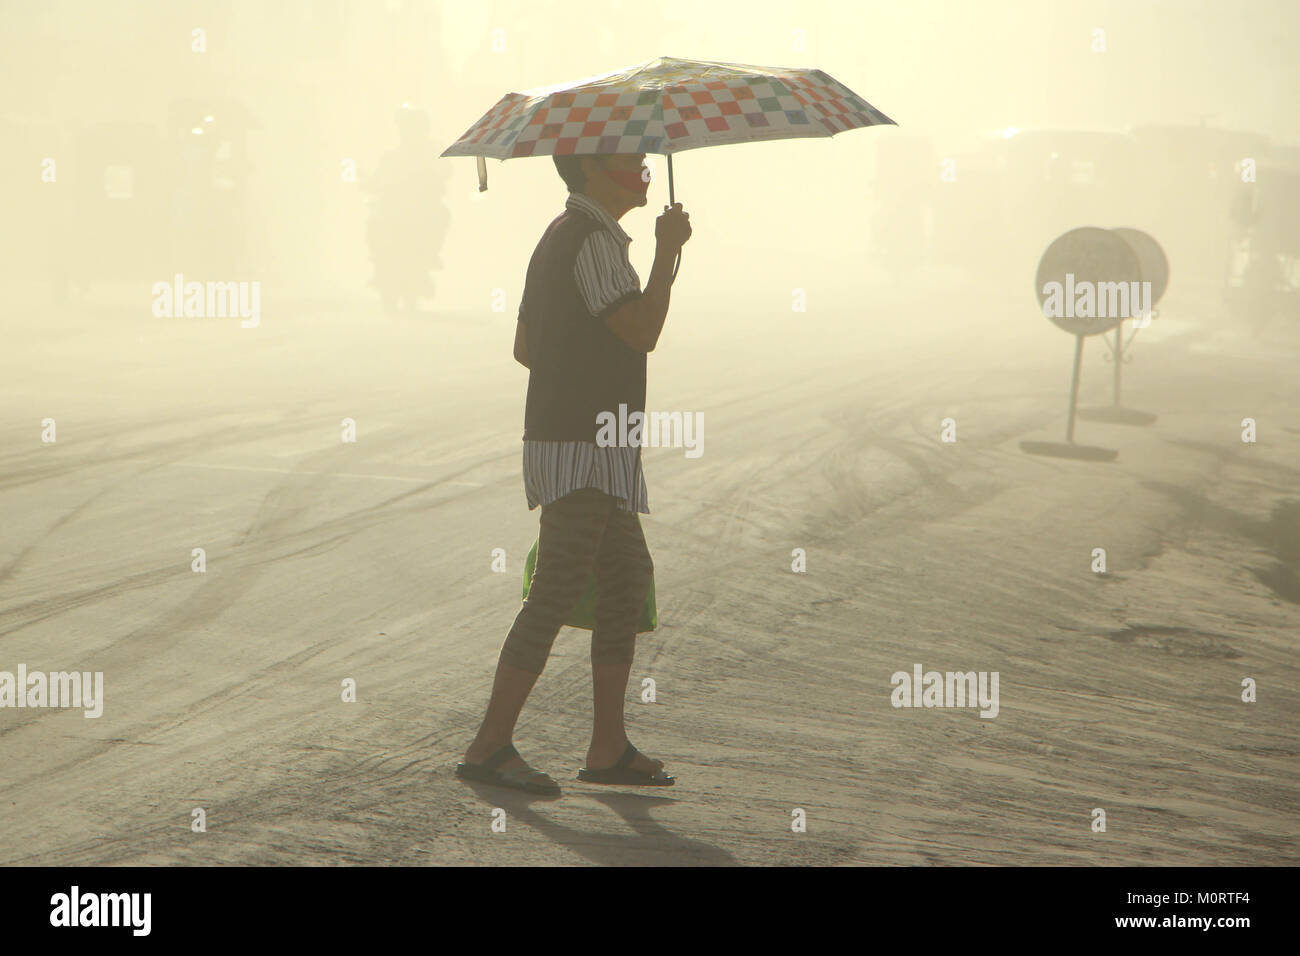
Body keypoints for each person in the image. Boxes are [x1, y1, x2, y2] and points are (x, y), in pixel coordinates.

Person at [456, 152, 692, 793]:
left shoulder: (566, 235)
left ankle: (607, 746)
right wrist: (667, 255)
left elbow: (527, 348)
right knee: (558, 588)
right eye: (626, 158)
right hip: (585, 448)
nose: (640, 166)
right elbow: (641, 330)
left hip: (587, 444)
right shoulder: (593, 242)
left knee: (623, 580)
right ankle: (489, 745)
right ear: (590, 169)